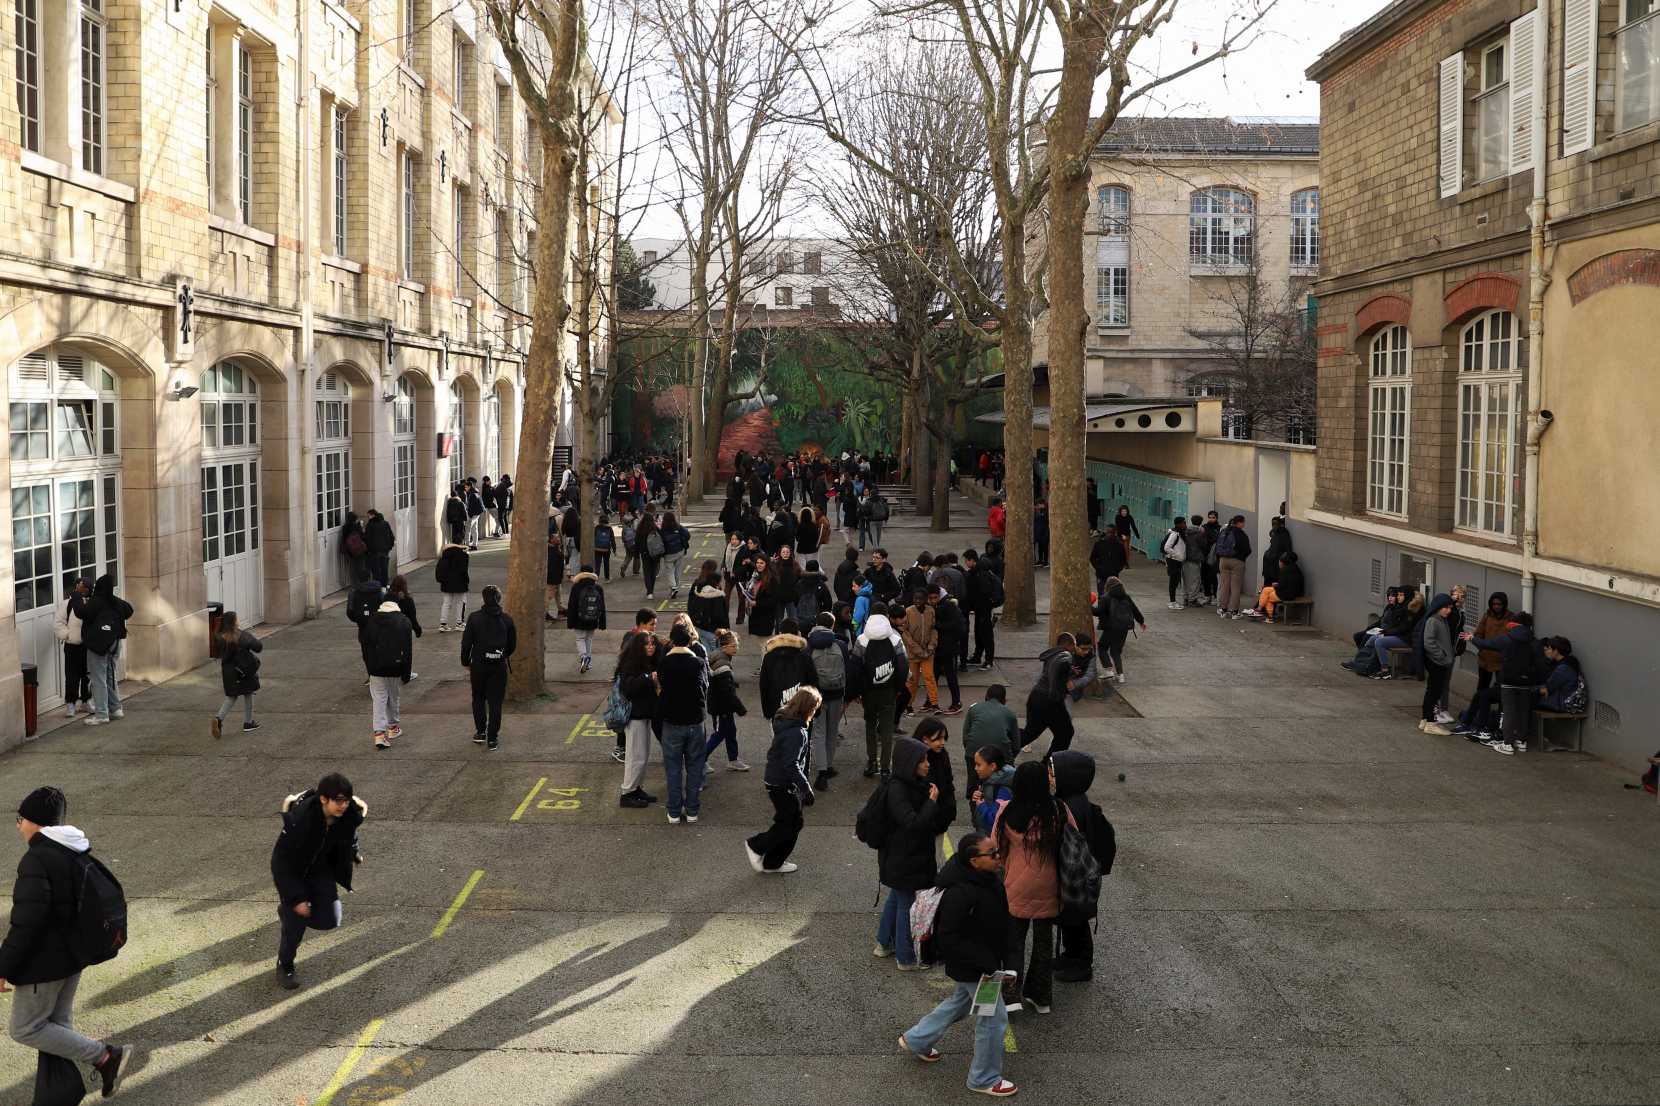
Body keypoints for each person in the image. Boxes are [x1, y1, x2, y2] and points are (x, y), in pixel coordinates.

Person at [0, 786, 133, 1096]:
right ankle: (60, 1095)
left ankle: (106, 1057)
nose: (19, 826)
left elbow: (26, 923)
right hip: (72, 957)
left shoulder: (37, 860)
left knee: (25, 1028)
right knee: (57, 1026)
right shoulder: (73, 850)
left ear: (35, 821)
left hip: (44, 964)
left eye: (21, 819)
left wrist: (3, 966)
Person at [897, 832, 1017, 1098]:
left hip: (984, 966)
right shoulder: (960, 894)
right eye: (992, 854)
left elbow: (1005, 920)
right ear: (974, 861)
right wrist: (989, 966)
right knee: (993, 1018)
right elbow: (949, 939)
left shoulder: (991, 879)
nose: (999, 856)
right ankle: (983, 1077)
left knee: (960, 1003)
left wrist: (1010, 961)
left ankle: (917, 1039)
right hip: (976, 969)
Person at [993, 760, 1075, 1015]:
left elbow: (996, 848)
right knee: (1043, 943)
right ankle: (1040, 996)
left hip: (1016, 885)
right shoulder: (1058, 810)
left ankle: (1010, 996)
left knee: (1013, 943)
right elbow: (1074, 839)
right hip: (1050, 885)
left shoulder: (1007, 812)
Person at [271, 773, 368, 990]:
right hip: (295, 872)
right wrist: (296, 899)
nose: (344, 806)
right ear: (324, 799)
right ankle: (285, 965)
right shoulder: (300, 821)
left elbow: (350, 831)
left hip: (320, 869)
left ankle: (287, 911)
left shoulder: (348, 813)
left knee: (331, 919)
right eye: (339, 801)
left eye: (346, 800)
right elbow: (280, 862)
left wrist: (353, 852)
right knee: (296, 922)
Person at [874, 736, 940, 970]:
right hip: (904, 857)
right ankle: (905, 957)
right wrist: (931, 803)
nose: (927, 764)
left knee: (897, 897)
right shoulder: (898, 789)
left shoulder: (907, 783)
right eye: (922, 760)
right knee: (905, 903)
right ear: (909, 763)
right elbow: (912, 823)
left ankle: (883, 943)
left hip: (903, 856)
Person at [1051, 750, 1116, 983]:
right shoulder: (1073, 801)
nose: (1050, 777)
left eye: (1053, 772)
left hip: (1076, 878)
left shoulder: (1073, 807)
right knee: (1070, 921)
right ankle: (1070, 955)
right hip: (1076, 876)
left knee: (1076, 922)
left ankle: (1082, 963)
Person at [745, 685, 820, 874]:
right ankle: (757, 846)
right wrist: (806, 788)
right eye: (814, 709)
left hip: (778, 781)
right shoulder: (796, 732)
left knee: (792, 822)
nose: (815, 713)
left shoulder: (786, 721)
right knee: (790, 824)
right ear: (807, 708)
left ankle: (773, 862)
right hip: (782, 784)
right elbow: (791, 764)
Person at [1465, 611, 1542, 756]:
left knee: (1509, 711)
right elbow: (1539, 664)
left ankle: (1507, 744)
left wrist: (1472, 638)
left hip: (1508, 680)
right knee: (1523, 711)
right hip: (1526, 682)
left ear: (1514, 624)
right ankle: (1522, 741)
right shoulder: (1535, 642)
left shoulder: (1507, 639)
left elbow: (1487, 644)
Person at [657, 624, 710, 824]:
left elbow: (661, 686)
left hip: (671, 721)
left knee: (673, 768)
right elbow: (705, 687)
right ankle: (692, 810)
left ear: (672, 641)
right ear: (689, 641)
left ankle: (674, 811)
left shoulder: (664, 663)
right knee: (695, 767)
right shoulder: (698, 663)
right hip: (695, 721)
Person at [853, 604, 908, 777]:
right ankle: (885, 767)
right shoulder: (895, 639)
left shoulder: (862, 639)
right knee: (887, 730)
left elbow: (855, 668)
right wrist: (898, 688)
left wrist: (858, 691)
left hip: (868, 692)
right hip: (889, 690)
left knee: (870, 726)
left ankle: (871, 763)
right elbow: (903, 666)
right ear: (886, 616)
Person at [461, 585, 517, 751]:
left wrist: (465, 661)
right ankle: (493, 738)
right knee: (495, 702)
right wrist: (502, 655)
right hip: (498, 666)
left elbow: (466, 643)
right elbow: (512, 645)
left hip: (478, 665)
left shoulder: (474, 618)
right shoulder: (507, 619)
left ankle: (480, 732)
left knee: (478, 698)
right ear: (499, 599)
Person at [79, 574, 132, 726]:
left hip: (98, 645)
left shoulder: (96, 601)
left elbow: (82, 613)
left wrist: (77, 596)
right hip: (115, 642)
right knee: (110, 676)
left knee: (98, 679)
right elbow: (129, 610)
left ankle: (101, 714)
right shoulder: (115, 601)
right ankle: (115, 709)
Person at [616, 630, 661, 808]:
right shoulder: (631, 664)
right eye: (646, 644)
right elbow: (628, 688)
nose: (650, 647)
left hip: (644, 714)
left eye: (653, 643)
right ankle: (627, 792)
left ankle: (636, 788)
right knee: (636, 756)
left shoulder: (646, 662)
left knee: (642, 755)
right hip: (635, 716)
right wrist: (648, 678)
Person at [1020, 634, 1083, 756]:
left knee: (1030, 733)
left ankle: (1003, 750)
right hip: (1050, 700)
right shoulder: (1065, 655)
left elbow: (1056, 669)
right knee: (1065, 733)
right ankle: (1050, 763)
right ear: (1068, 644)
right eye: (1074, 645)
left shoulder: (1052, 654)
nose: (1075, 649)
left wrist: (1069, 671)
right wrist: (1057, 691)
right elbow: (1060, 664)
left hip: (1036, 696)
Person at [807, 613, 849, 790]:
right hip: (837, 693)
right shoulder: (841, 645)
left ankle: (822, 771)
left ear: (816, 624)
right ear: (832, 625)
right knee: (832, 731)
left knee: (819, 732)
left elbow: (807, 672)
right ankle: (829, 765)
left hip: (818, 695)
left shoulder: (809, 645)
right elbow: (848, 669)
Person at [212, 610, 263, 738]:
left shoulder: (219, 636)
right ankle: (248, 722)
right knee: (248, 693)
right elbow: (258, 646)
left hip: (228, 671)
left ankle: (218, 719)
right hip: (244, 670)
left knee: (232, 696)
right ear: (234, 622)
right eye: (237, 619)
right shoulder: (240, 635)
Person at [705, 629, 750, 773]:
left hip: (721, 704)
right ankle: (700, 759)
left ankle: (733, 759)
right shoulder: (723, 664)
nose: (737, 648)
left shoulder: (719, 656)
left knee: (730, 731)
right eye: (734, 645)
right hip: (721, 706)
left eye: (737, 645)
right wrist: (741, 709)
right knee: (720, 733)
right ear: (724, 647)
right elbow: (727, 691)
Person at [758, 618, 820, 720]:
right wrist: (816, 709)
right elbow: (813, 683)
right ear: (798, 634)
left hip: (777, 709)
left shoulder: (769, 657)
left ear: (780, 634)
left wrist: (767, 711)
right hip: (802, 709)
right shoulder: (804, 657)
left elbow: (764, 685)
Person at [1417, 593, 1458, 736]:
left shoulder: (1441, 619)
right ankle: (1430, 723)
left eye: (1450, 608)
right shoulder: (1433, 620)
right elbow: (1429, 642)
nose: (1449, 610)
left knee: (1432, 691)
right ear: (1438, 607)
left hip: (1438, 661)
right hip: (1436, 662)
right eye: (1446, 607)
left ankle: (1425, 719)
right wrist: (1442, 656)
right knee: (1434, 692)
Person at [962, 685, 1019, 785]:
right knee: (1005, 784)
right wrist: (1007, 760)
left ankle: (973, 791)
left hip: (973, 753)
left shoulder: (974, 709)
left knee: (973, 785)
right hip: (1000, 756)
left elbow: (965, 737)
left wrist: (972, 752)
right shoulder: (1010, 714)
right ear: (1004, 701)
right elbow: (1016, 746)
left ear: (986, 697)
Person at [1095, 576, 1146, 683]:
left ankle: (1108, 670)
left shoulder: (1106, 598)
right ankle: (1120, 675)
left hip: (1111, 627)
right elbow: (1135, 610)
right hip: (1124, 628)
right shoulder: (1126, 597)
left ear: (1108, 586)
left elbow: (1099, 612)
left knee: (1102, 647)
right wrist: (1141, 622)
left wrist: (1089, 607)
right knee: (1116, 651)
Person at [53, 576, 91, 718]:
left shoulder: (91, 603)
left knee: (87, 676)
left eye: (85, 587)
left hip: (88, 646)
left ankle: (86, 701)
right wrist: (68, 636)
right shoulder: (67, 604)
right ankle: (71, 703)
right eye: (80, 586)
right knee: (71, 677)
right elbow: (58, 623)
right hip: (72, 646)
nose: (82, 590)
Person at [898, 589, 940, 715]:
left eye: (920, 599)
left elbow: (933, 629)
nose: (917, 601)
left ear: (925, 599)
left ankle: (934, 704)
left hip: (928, 652)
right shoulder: (908, 611)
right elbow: (905, 633)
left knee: (929, 677)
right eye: (915, 599)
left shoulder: (930, 611)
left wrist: (932, 645)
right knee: (912, 680)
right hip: (913, 653)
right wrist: (917, 649)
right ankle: (908, 705)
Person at [913, 716, 958, 830]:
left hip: (941, 819)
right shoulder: (913, 759)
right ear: (925, 739)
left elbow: (948, 783)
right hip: (922, 822)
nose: (942, 743)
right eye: (938, 739)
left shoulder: (942, 755)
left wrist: (950, 810)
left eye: (944, 738)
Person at [965, 549, 1002, 670]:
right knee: (980, 633)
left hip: (984, 608)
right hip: (982, 609)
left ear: (972, 560)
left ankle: (988, 660)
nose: (966, 563)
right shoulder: (979, 572)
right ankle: (978, 656)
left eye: (967, 561)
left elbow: (982, 592)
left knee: (985, 634)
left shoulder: (980, 574)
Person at [931, 588, 966, 715]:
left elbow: (958, 627)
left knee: (949, 675)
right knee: (933, 675)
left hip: (948, 647)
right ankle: (931, 701)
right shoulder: (936, 607)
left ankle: (956, 702)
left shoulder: (949, 607)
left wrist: (937, 626)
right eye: (930, 598)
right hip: (938, 647)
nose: (932, 600)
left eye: (934, 597)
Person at [567, 566, 606, 675]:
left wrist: (570, 622)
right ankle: (588, 662)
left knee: (580, 638)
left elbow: (572, 605)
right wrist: (602, 623)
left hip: (579, 619)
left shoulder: (576, 587)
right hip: (593, 619)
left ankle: (584, 657)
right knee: (589, 639)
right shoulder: (598, 588)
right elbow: (602, 606)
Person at [1245, 552, 1305, 621]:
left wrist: (1276, 585)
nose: (1279, 564)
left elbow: (1281, 586)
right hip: (1293, 592)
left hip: (1286, 594)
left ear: (1283, 562)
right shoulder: (1295, 568)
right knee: (1266, 590)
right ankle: (1259, 609)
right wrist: (1277, 585)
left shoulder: (1284, 570)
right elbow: (1287, 583)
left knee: (1268, 596)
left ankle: (1269, 617)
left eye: (1279, 562)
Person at [1214, 514, 1253, 618]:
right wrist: (1241, 557)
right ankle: (1234, 612)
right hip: (1237, 561)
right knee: (1235, 587)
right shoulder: (1241, 534)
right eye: (1243, 522)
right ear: (1239, 523)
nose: (1244, 524)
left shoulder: (1224, 531)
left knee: (1224, 586)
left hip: (1223, 560)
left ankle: (1223, 610)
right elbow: (1247, 550)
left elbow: (1217, 546)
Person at [1538, 637, 1588, 715]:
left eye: (1549, 649)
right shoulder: (1567, 663)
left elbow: (1547, 687)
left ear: (1556, 651)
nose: (1547, 651)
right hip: (1565, 700)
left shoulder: (1563, 668)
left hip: (1564, 703)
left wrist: (1534, 690)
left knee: (1528, 697)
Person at [436, 541, 471, 631]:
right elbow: (464, 570)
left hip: (446, 582)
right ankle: (459, 623)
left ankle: (443, 624)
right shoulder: (463, 554)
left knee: (446, 603)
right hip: (460, 582)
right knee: (460, 602)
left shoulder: (444, 553)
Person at [660, 511, 691, 598]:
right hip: (679, 551)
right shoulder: (678, 527)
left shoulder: (662, 530)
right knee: (677, 571)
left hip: (668, 553)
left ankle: (673, 587)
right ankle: (676, 587)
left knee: (669, 571)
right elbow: (687, 535)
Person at [1090, 529, 1127, 601]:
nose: (1110, 535)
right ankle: (1105, 606)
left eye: (1111, 533)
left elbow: (1123, 559)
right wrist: (1098, 568)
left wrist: (1117, 569)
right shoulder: (1099, 544)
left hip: (1110, 573)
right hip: (1104, 573)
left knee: (1108, 593)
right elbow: (1092, 558)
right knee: (1104, 593)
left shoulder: (1118, 545)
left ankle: (1105, 606)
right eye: (1109, 533)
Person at [1160, 516, 1188, 610]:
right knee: (1173, 581)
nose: (1185, 524)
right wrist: (1177, 555)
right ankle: (1172, 602)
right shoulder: (1175, 534)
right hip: (1173, 560)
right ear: (1178, 524)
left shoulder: (1180, 533)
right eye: (1183, 523)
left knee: (1175, 581)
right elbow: (1167, 547)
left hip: (1176, 560)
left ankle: (1173, 601)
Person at [1182, 514, 1209, 606]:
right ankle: (1192, 599)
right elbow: (1203, 545)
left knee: (1186, 579)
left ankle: (1186, 597)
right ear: (1201, 522)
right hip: (1195, 557)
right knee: (1195, 580)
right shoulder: (1200, 533)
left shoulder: (1185, 531)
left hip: (1185, 557)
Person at [364, 508, 395, 584]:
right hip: (385, 550)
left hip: (374, 552)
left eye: (368, 516)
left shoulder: (370, 525)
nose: (368, 518)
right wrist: (389, 547)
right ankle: (385, 586)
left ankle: (377, 587)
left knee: (376, 571)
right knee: (384, 569)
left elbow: (367, 539)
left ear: (373, 515)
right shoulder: (385, 523)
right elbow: (391, 536)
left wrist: (368, 550)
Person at [636, 513, 663, 600]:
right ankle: (651, 589)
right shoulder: (654, 528)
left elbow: (637, 542)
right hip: (655, 553)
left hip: (644, 553)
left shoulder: (640, 529)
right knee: (653, 572)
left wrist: (637, 553)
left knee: (647, 572)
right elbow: (661, 538)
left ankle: (649, 591)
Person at [1262, 516, 1294, 589]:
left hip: (1276, 563)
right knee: (1267, 583)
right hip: (1269, 563)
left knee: (1274, 583)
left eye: (1276, 524)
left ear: (1280, 524)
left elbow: (1287, 548)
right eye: (1272, 524)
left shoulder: (1284, 533)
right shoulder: (1274, 533)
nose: (1274, 526)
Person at [544, 531, 568, 621]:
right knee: (549, 595)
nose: (558, 539)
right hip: (552, 578)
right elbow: (552, 566)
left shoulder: (556, 548)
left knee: (558, 594)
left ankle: (561, 610)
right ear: (551, 540)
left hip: (557, 577)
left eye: (558, 537)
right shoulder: (550, 551)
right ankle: (545, 613)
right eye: (556, 538)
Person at [593, 513, 615, 580]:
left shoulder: (597, 527)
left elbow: (593, 537)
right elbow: (612, 540)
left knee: (597, 564)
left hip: (597, 548)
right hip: (606, 549)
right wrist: (614, 550)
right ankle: (607, 578)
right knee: (606, 563)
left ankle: (596, 577)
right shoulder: (609, 528)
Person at [465, 481, 485, 549]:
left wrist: (470, 515)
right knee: (474, 529)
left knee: (468, 530)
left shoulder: (472, 494)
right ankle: (474, 544)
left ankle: (467, 545)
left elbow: (471, 507)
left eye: (466, 487)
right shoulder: (475, 492)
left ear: (469, 486)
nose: (465, 488)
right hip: (477, 513)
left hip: (473, 514)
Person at [1032, 500, 1050, 566]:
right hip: (1038, 532)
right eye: (1037, 505)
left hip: (1045, 532)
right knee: (1040, 547)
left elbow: (1047, 520)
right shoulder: (1036, 512)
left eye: (1039, 505)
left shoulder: (1046, 512)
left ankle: (1045, 561)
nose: (1038, 506)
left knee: (1045, 547)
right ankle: (1040, 560)